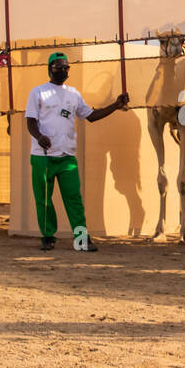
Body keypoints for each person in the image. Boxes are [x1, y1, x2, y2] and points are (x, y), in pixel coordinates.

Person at [24, 51, 128, 251]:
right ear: (50, 70)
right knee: (43, 199)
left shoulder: (74, 94)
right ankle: (48, 237)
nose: (62, 71)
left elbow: (91, 116)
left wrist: (115, 105)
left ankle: (81, 239)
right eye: (58, 68)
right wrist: (39, 137)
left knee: (74, 200)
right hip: (42, 156)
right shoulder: (38, 93)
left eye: (65, 68)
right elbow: (30, 122)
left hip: (66, 157)